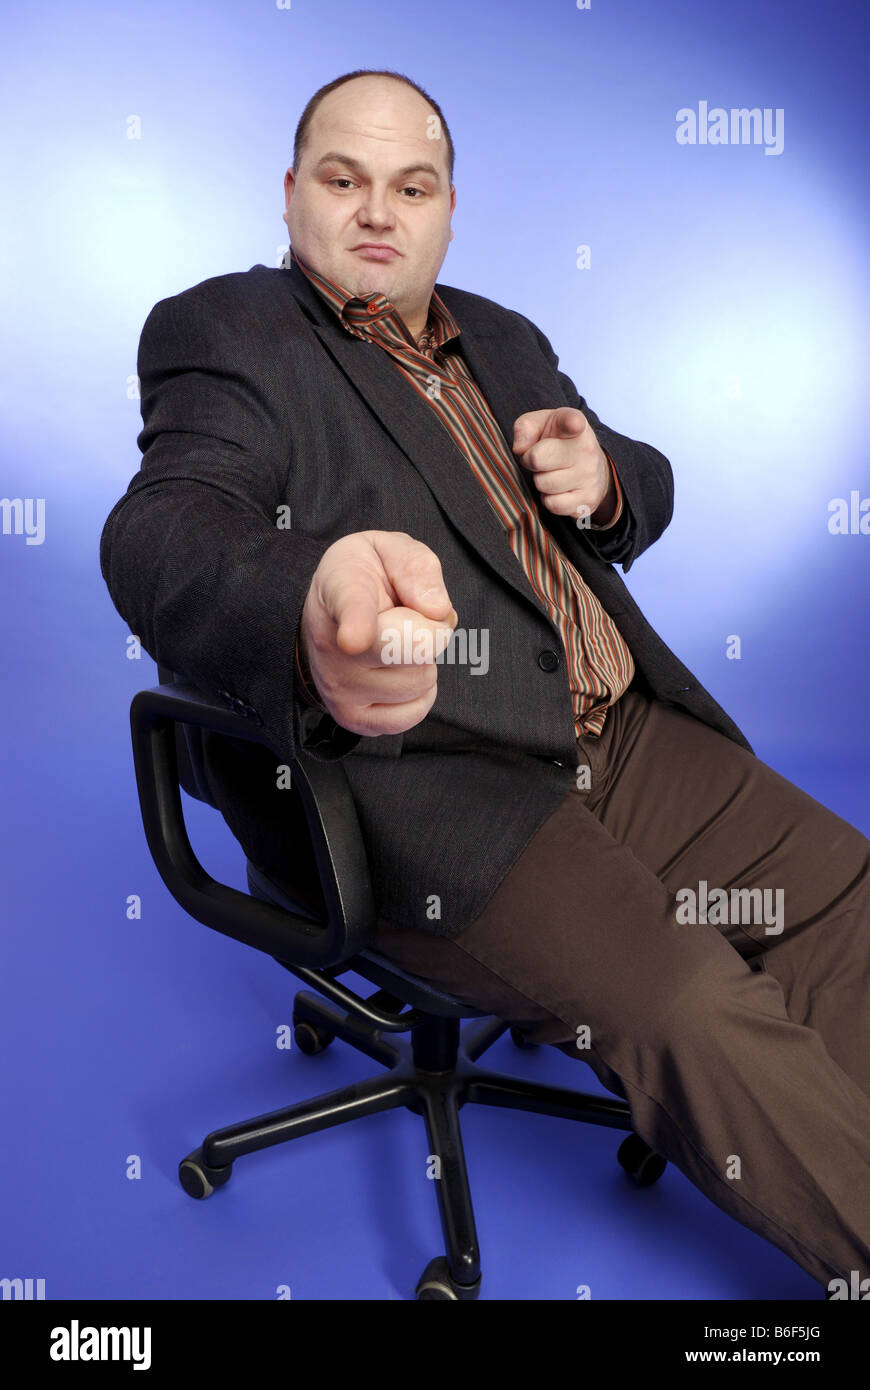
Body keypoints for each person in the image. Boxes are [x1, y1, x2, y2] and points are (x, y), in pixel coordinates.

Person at [100, 68, 870, 1297]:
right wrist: (309, 594)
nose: (376, 213)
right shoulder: (225, 335)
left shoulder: (502, 336)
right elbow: (163, 528)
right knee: (693, 1003)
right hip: (438, 790)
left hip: (622, 736)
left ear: (450, 206)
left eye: (412, 186)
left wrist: (605, 475)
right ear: (292, 192)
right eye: (343, 181)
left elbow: (638, 486)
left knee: (843, 898)